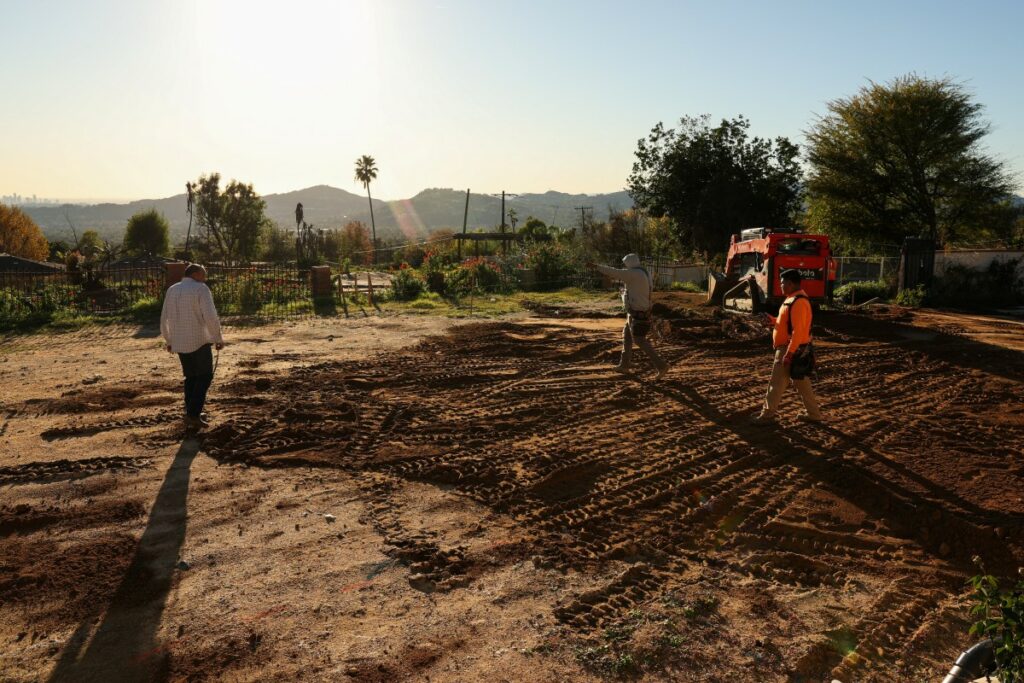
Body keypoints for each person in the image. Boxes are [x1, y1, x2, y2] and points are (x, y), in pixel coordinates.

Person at [160, 263, 224, 431]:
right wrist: (217, 337)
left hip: (179, 341)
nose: (205, 278)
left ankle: (191, 412)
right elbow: (210, 316)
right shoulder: (200, 289)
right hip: (199, 341)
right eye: (203, 274)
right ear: (195, 274)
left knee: (191, 377)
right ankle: (193, 414)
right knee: (204, 377)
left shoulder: (172, 289)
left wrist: (169, 340)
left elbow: (164, 317)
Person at [753, 269, 823, 424]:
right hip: (795, 348)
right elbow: (789, 323)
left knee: (776, 382)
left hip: (789, 348)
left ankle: (767, 415)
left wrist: (789, 353)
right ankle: (814, 415)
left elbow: (799, 331)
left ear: (791, 284)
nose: (781, 285)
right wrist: (773, 321)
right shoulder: (792, 300)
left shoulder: (798, 302)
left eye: (783, 283)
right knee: (801, 382)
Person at [591, 254, 669, 379]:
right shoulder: (643, 273)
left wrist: (597, 267)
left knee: (639, 340)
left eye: (626, 264)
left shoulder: (634, 274)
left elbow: (614, 272)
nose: (625, 267)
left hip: (638, 313)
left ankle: (661, 365)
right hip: (637, 312)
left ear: (629, 263)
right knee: (627, 335)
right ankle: (624, 364)